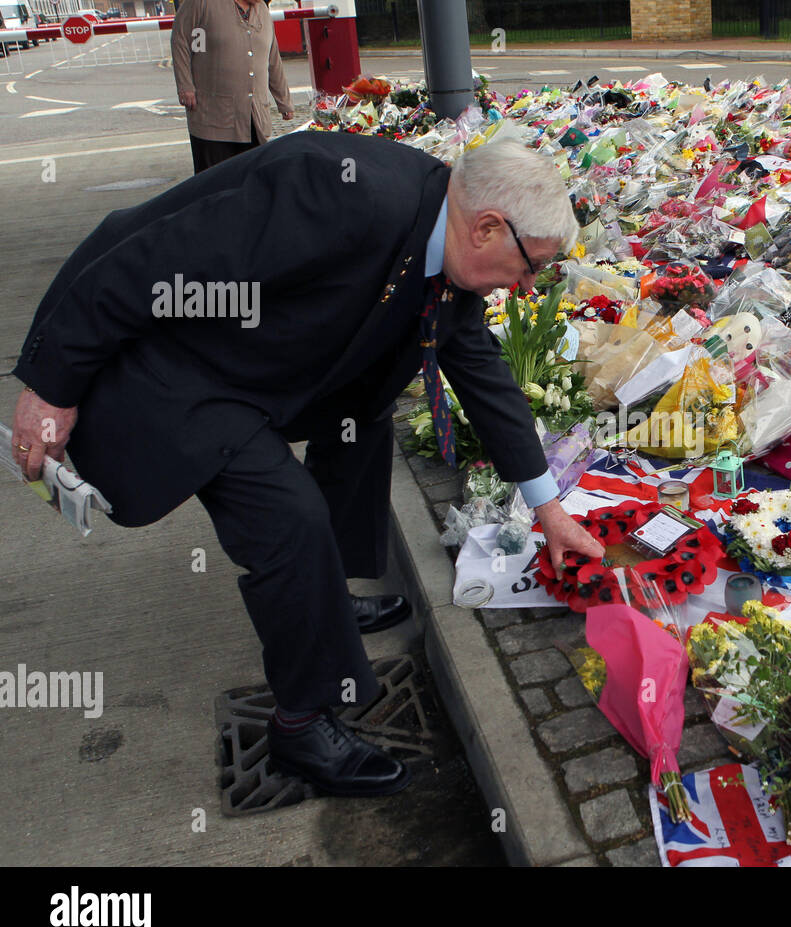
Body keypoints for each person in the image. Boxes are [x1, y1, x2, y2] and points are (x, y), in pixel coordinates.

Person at [9, 131, 605, 797]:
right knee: (289, 520)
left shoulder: (450, 235)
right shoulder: (340, 193)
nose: (527, 287)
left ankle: (328, 600)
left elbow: (482, 375)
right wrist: (51, 387)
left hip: (264, 360)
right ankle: (302, 724)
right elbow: (151, 260)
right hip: (182, 365)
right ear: (489, 225)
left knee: (363, 420)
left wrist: (548, 507)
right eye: (530, 266)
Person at [171, 0, 294, 174]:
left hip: (254, 117)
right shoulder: (201, 4)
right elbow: (180, 40)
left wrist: (284, 101)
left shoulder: (263, 11)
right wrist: (185, 86)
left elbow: (273, 59)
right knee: (215, 185)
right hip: (213, 118)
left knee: (251, 182)